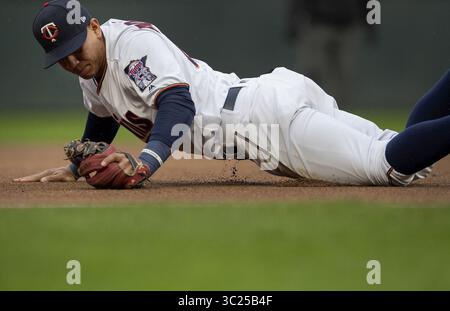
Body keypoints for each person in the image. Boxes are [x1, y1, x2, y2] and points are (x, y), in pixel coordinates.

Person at [16, 0, 449, 187]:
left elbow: (178, 104)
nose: (73, 61)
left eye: (76, 48)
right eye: (63, 57)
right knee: (398, 145)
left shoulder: (130, 45)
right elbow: (103, 113)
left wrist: (144, 164)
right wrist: (76, 166)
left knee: (386, 165)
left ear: (93, 26)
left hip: (266, 124)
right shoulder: (92, 67)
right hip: (268, 100)